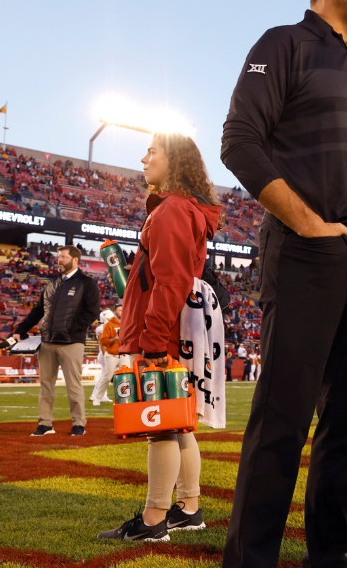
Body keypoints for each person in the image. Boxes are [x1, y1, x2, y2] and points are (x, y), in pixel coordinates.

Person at [219, 0, 347, 566]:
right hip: (306, 252)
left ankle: (329, 555)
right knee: (284, 418)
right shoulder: (282, 44)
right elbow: (238, 142)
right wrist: (308, 223)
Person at [99, 132, 226, 541]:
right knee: (180, 424)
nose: (143, 159)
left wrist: (152, 341)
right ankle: (188, 508)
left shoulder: (171, 210)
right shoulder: (183, 208)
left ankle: (154, 520)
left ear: (175, 161)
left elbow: (169, 281)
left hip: (163, 334)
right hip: (176, 330)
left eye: (152, 152)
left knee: (161, 427)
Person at [6, 244, 99, 437]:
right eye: (59, 257)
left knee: (73, 385)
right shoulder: (52, 283)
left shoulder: (87, 283)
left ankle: (79, 424)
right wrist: (20, 329)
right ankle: (46, 424)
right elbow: (38, 311)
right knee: (45, 385)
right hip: (47, 342)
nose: (59, 260)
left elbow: (91, 313)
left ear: (75, 260)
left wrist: (71, 329)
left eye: (64, 257)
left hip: (71, 342)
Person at [89, 309, 115, 405]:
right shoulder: (102, 328)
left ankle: (103, 396)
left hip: (108, 353)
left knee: (106, 375)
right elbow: (103, 344)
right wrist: (106, 355)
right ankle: (95, 395)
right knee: (106, 376)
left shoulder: (103, 327)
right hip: (106, 353)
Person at [98, 304, 124, 371]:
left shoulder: (127, 324)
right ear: (114, 313)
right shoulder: (107, 325)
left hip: (124, 355)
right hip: (111, 354)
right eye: (120, 310)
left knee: (126, 375)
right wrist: (115, 339)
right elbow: (103, 343)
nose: (123, 312)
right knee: (107, 377)